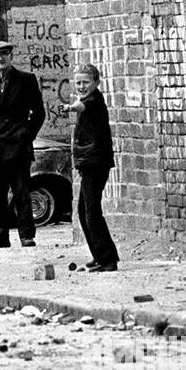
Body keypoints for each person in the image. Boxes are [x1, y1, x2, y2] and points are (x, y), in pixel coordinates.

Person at [0, 40, 45, 249]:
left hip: (17, 147)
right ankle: (0, 236)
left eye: (3, 55)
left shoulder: (26, 80)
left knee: (21, 191)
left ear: (10, 56)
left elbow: (39, 113)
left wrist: (26, 135)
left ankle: (26, 235)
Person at [63, 63, 118, 272]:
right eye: (78, 82)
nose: (82, 86)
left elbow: (82, 106)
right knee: (84, 210)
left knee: (91, 212)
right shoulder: (89, 99)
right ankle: (100, 255)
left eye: (86, 82)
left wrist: (70, 107)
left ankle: (107, 260)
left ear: (96, 82)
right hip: (90, 163)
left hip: (96, 163)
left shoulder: (94, 100)